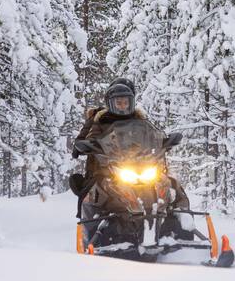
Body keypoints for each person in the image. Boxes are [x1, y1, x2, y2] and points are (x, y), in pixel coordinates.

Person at [69, 78, 191, 214]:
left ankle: (182, 217)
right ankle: (89, 222)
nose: (122, 106)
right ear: (111, 103)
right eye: (119, 103)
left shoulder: (139, 120)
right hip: (108, 168)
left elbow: (151, 136)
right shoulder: (101, 121)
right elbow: (89, 137)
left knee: (170, 183)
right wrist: (89, 145)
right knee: (94, 186)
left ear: (131, 102)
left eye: (125, 103)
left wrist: (165, 142)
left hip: (139, 165)